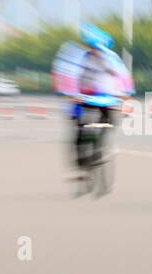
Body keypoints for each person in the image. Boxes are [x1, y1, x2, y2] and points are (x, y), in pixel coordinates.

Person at [52, 24, 133, 176]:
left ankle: (101, 147)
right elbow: (67, 75)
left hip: (105, 97)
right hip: (82, 96)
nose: (94, 50)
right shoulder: (77, 56)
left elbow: (123, 77)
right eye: (91, 46)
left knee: (111, 120)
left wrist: (125, 95)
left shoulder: (111, 58)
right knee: (79, 127)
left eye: (97, 47)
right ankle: (80, 165)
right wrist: (70, 94)